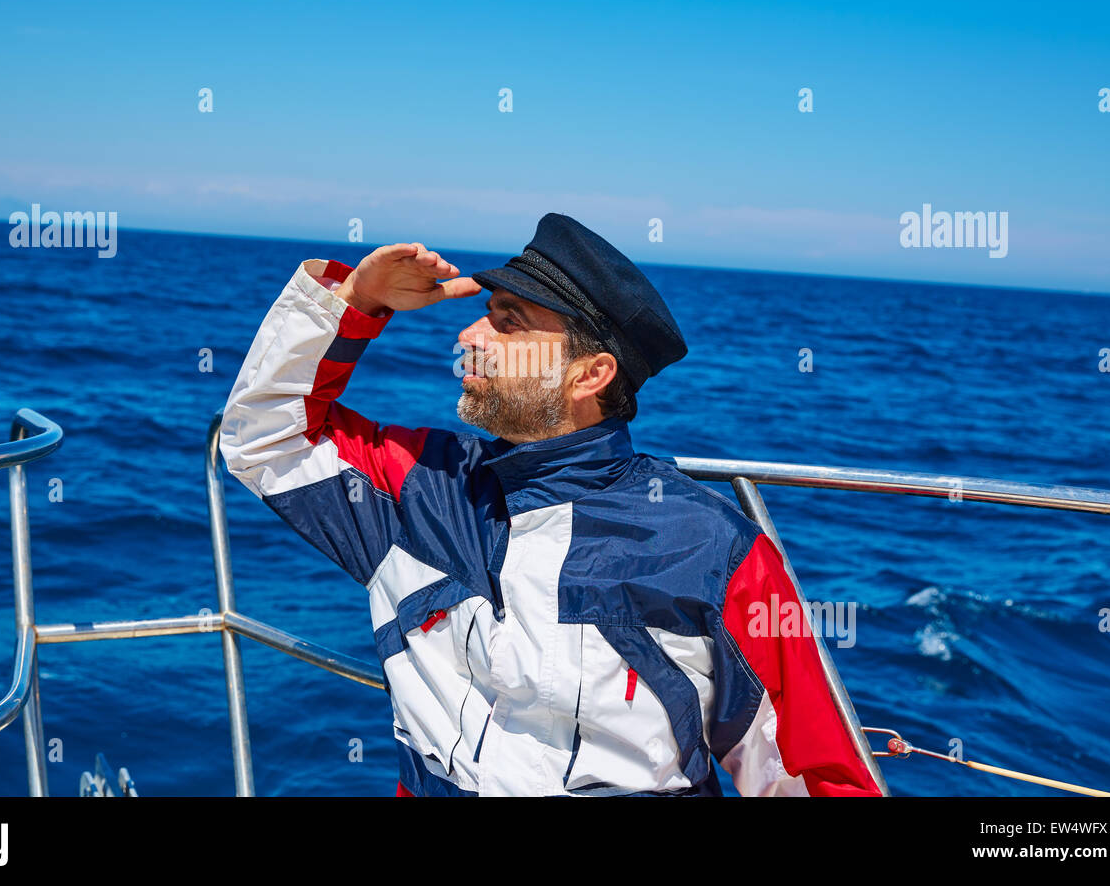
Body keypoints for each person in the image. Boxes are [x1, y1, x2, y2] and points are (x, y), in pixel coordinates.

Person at [219, 212, 882, 796]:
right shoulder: (417, 488)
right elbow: (264, 437)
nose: (468, 337)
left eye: (508, 324)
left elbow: (813, 773)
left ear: (590, 374)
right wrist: (357, 302)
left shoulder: (712, 550)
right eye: (487, 314)